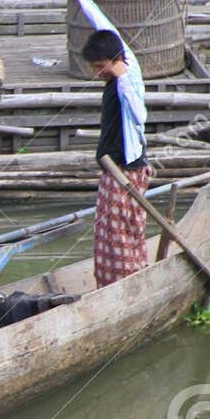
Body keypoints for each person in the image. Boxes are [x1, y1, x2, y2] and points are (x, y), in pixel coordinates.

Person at [83, 26, 150, 289]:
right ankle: (111, 285)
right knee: (108, 234)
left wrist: (122, 78)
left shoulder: (126, 83)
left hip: (125, 171)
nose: (97, 73)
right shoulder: (114, 80)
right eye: (94, 67)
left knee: (121, 234)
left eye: (101, 66)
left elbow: (139, 115)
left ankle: (125, 286)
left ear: (117, 62)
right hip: (113, 170)